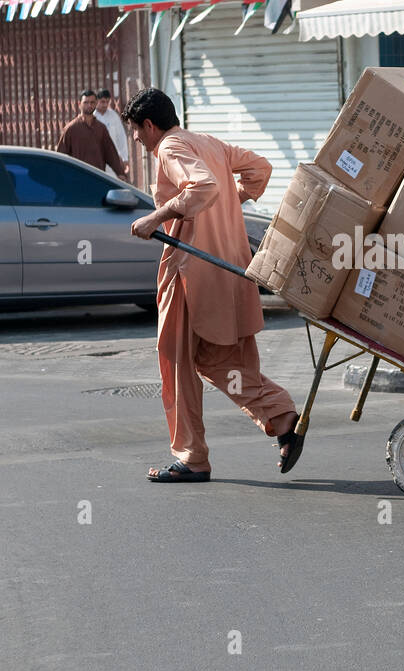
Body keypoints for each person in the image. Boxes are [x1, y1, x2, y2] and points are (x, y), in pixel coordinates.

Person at [126, 87, 302, 484]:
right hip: (230, 267)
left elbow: (202, 187)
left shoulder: (171, 148)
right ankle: (280, 413)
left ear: (149, 125)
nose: (136, 139)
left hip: (192, 272)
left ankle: (192, 458)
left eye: (136, 130)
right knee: (218, 359)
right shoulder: (208, 142)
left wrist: (157, 218)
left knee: (177, 363)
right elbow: (260, 168)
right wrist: (232, 201)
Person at [57, 89, 128, 179]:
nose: (89, 105)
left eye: (92, 102)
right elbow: (61, 155)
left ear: (96, 103)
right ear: (79, 104)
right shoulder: (71, 128)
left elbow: (110, 153)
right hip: (77, 178)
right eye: (86, 102)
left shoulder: (101, 128)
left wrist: (120, 173)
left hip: (98, 177)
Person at [93, 89, 129, 178]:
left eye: (107, 102)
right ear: (97, 101)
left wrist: (124, 158)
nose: (105, 104)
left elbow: (121, 137)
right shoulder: (92, 117)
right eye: (102, 102)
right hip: (96, 157)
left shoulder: (114, 116)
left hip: (113, 157)